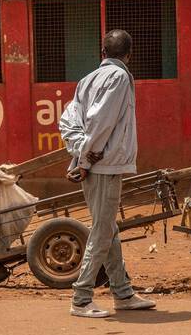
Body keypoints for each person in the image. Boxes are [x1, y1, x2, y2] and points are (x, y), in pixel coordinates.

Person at [64, 29, 156, 318]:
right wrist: (86, 160)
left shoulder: (86, 79)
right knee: (102, 230)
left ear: (102, 53)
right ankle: (81, 298)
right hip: (103, 164)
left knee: (108, 227)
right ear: (129, 55)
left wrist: (80, 153)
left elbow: (69, 120)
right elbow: (101, 122)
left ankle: (123, 292)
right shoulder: (119, 78)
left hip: (92, 161)